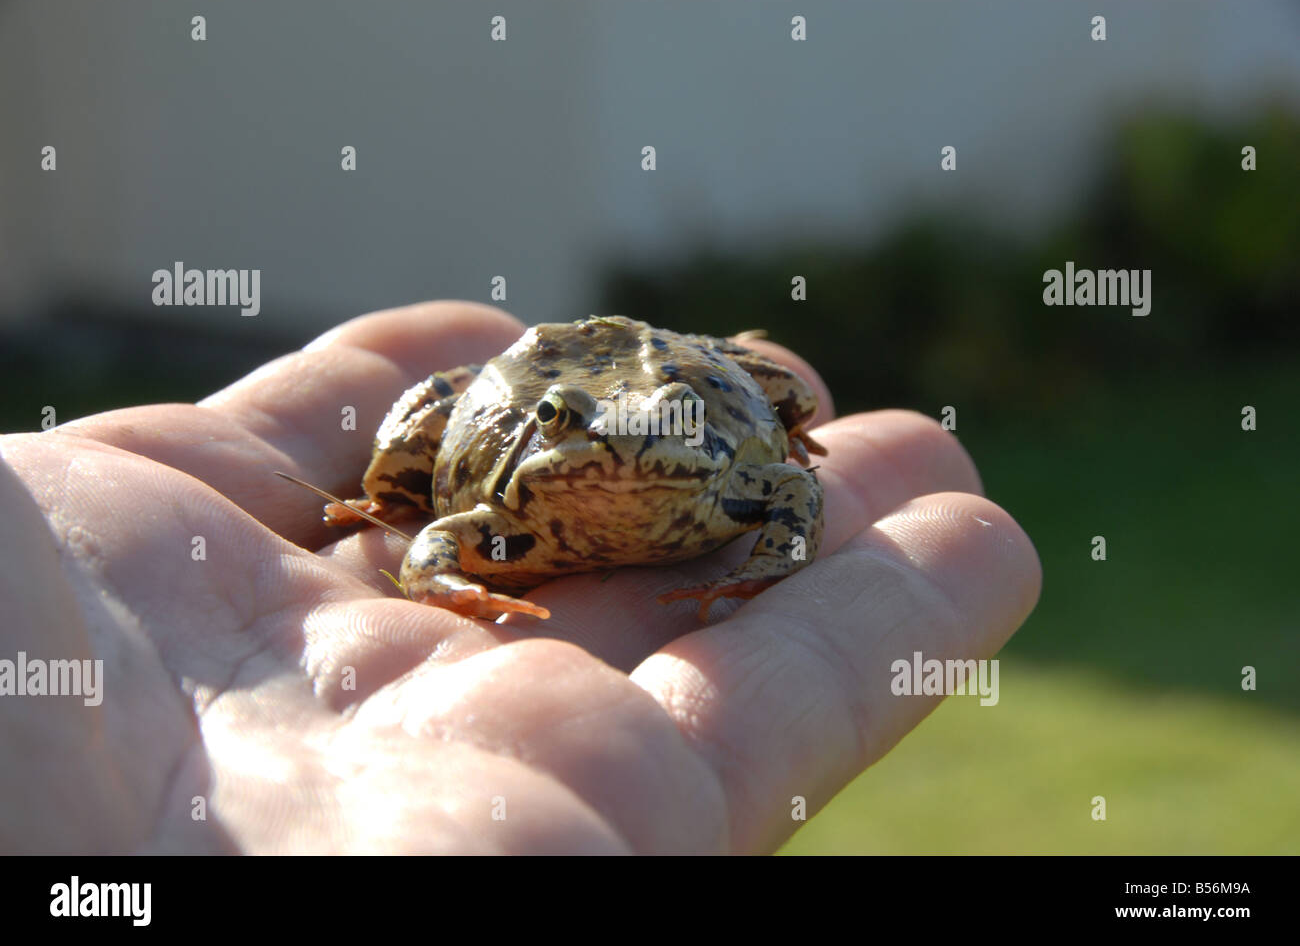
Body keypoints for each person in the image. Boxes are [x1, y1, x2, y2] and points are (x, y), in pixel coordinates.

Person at [0, 301, 1040, 854]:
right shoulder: (509, 509)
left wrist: (760, 560)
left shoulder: (729, 486)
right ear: (550, 439)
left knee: (783, 397)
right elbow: (432, 550)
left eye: (657, 437)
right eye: (582, 437)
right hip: (515, 391)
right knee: (405, 454)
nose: (625, 459)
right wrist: (441, 567)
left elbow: (792, 498)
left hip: (685, 375)